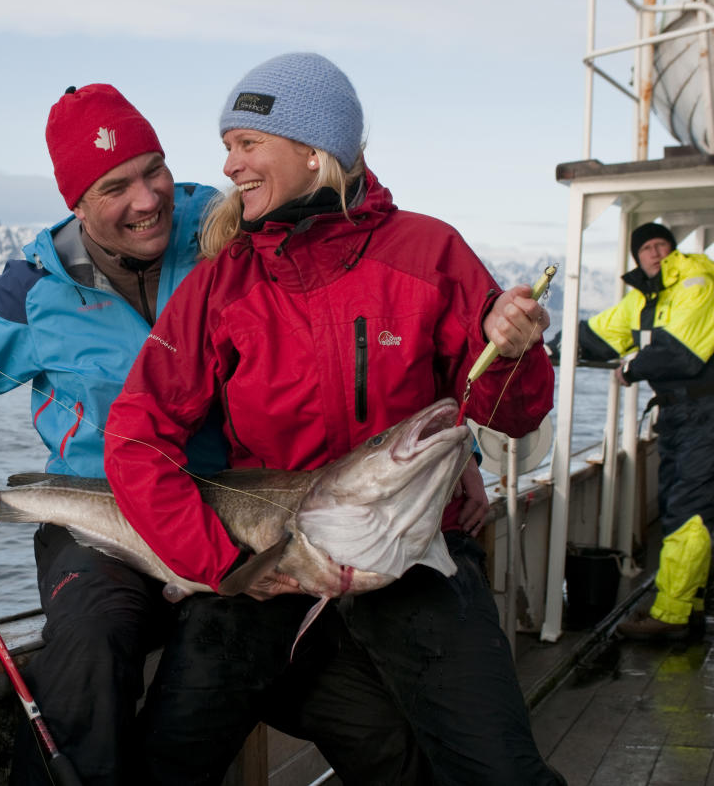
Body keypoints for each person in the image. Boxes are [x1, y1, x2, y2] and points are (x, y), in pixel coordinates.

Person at [104, 52, 563, 785]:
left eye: (247, 144)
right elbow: (134, 433)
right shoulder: (225, 282)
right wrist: (219, 563)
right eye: (226, 146)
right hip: (265, 563)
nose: (230, 165)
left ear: (315, 151)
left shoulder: (428, 252)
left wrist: (508, 349)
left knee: (500, 773)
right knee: (167, 758)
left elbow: (514, 412)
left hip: (416, 552)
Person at [0, 84, 229, 785]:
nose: (147, 199)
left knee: (234, 645)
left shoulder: (225, 235)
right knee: (89, 633)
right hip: (95, 513)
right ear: (76, 205)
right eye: (117, 186)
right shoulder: (34, 289)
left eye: (154, 170)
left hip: (226, 505)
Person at [556, 222, 714, 641]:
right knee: (678, 507)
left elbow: (683, 352)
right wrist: (553, 344)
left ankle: (673, 617)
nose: (654, 252)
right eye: (646, 247)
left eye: (661, 244)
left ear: (672, 249)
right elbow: (605, 332)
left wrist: (632, 368)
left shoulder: (696, 279)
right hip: (680, 419)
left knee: (689, 514)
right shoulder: (645, 297)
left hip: (706, 414)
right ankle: (689, 605)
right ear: (636, 256)